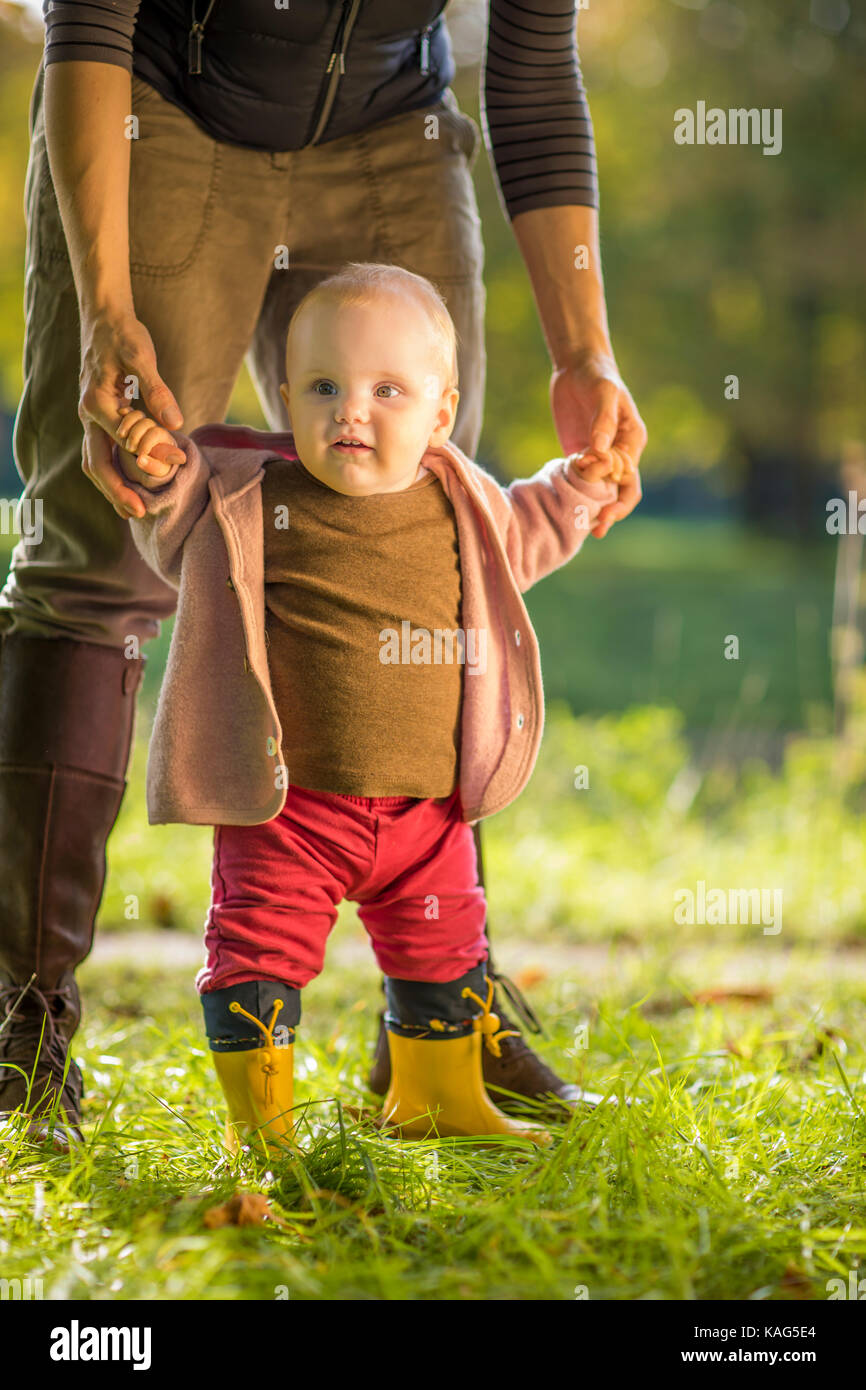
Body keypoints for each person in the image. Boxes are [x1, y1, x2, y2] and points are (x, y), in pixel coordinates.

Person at [0, 1, 646, 1143]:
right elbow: (88, 19)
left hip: (392, 125)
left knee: (424, 537)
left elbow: (535, 69)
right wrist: (106, 312)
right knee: (96, 555)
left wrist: (583, 350)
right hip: (165, 104)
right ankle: (22, 1020)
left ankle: (441, 1017)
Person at [110, 262, 628, 1156]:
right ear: (284, 397)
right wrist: (157, 470)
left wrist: (579, 486)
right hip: (289, 811)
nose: (351, 410)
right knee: (256, 955)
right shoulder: (249, 495)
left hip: (427, 813)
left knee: (447, 954)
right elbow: (168, 518)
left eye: (388, 389)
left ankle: (438, 1101)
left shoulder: (459, 499)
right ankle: (264, 1133)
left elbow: (529, 530)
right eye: (323, 387)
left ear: (440, 411)